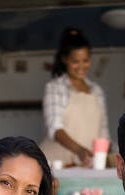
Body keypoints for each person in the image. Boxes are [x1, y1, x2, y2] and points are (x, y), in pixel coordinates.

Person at [40, 27, 109, 167]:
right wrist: (79, 150)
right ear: (64, 59)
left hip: (88, 163)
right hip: (56, 163)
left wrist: (105, 157)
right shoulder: (55, 87)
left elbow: (103, 131)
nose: (81, 66)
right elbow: (54, 128)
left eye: (86, 60)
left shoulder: (97, 91)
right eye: (75, 61)